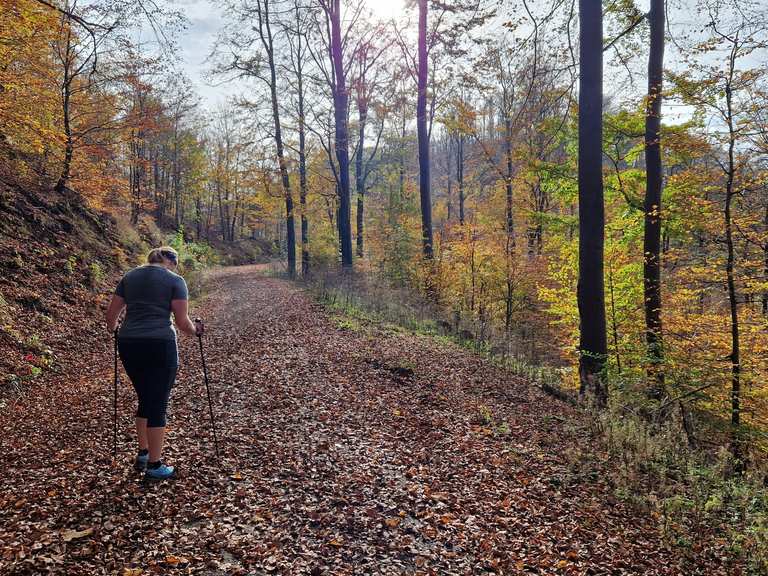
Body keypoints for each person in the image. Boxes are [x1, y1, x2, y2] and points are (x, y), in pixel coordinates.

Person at [105, 246, 203, 480]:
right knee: (157, 401)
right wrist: (196, 331)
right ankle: (154, 465)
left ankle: (143, 453)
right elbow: (182, 321)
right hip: (160, 344)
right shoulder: (175, 281)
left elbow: (111, 317)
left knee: (145, 397)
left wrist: (118, 330)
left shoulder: (129, 277)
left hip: (129, 343)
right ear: (172, 262)